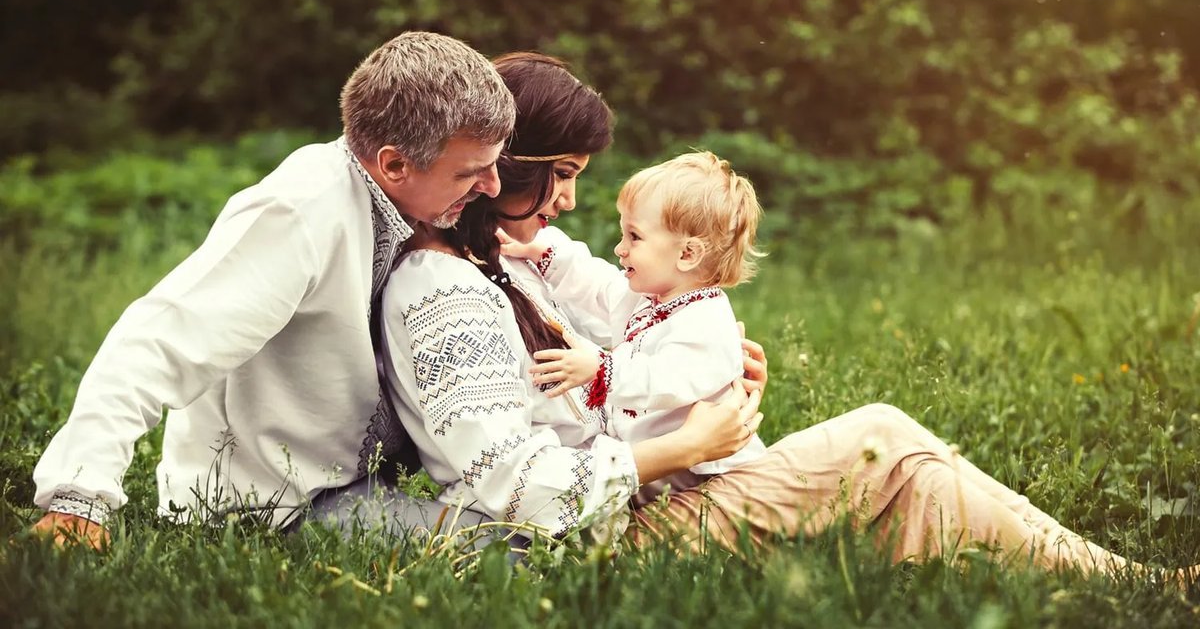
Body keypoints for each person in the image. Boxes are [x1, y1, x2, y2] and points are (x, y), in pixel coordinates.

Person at [382, 51, 1197, 583]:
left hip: (639, 510)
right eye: (555, 173)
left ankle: (1098, 576)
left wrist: (696, 377)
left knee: (905, 477)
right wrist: (684, 447)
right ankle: (1122, 582)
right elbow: (513, 487)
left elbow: (610, 336)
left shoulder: (500, 267)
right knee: (883, 438)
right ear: (502, 164)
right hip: (604, 551)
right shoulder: (441, 293)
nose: (564, 200)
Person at [30, 31, 516, 548]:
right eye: (471, 171)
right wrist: (78, 496)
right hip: (274, 506)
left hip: (356, 480)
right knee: (512, 552)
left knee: (542, 533)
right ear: (394, 164)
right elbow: (156, 340)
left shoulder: (402, 207)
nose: (493, 187)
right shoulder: (299, 211)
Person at [500, 151, 769, 506]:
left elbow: (664, 378)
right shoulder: (650, 297)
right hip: (667, 469)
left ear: (687, 254)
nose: (619, 249)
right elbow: (597, 284)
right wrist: (543, 250)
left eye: (634, 237)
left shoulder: (707, 322)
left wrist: (602, 369)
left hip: (712, 476)